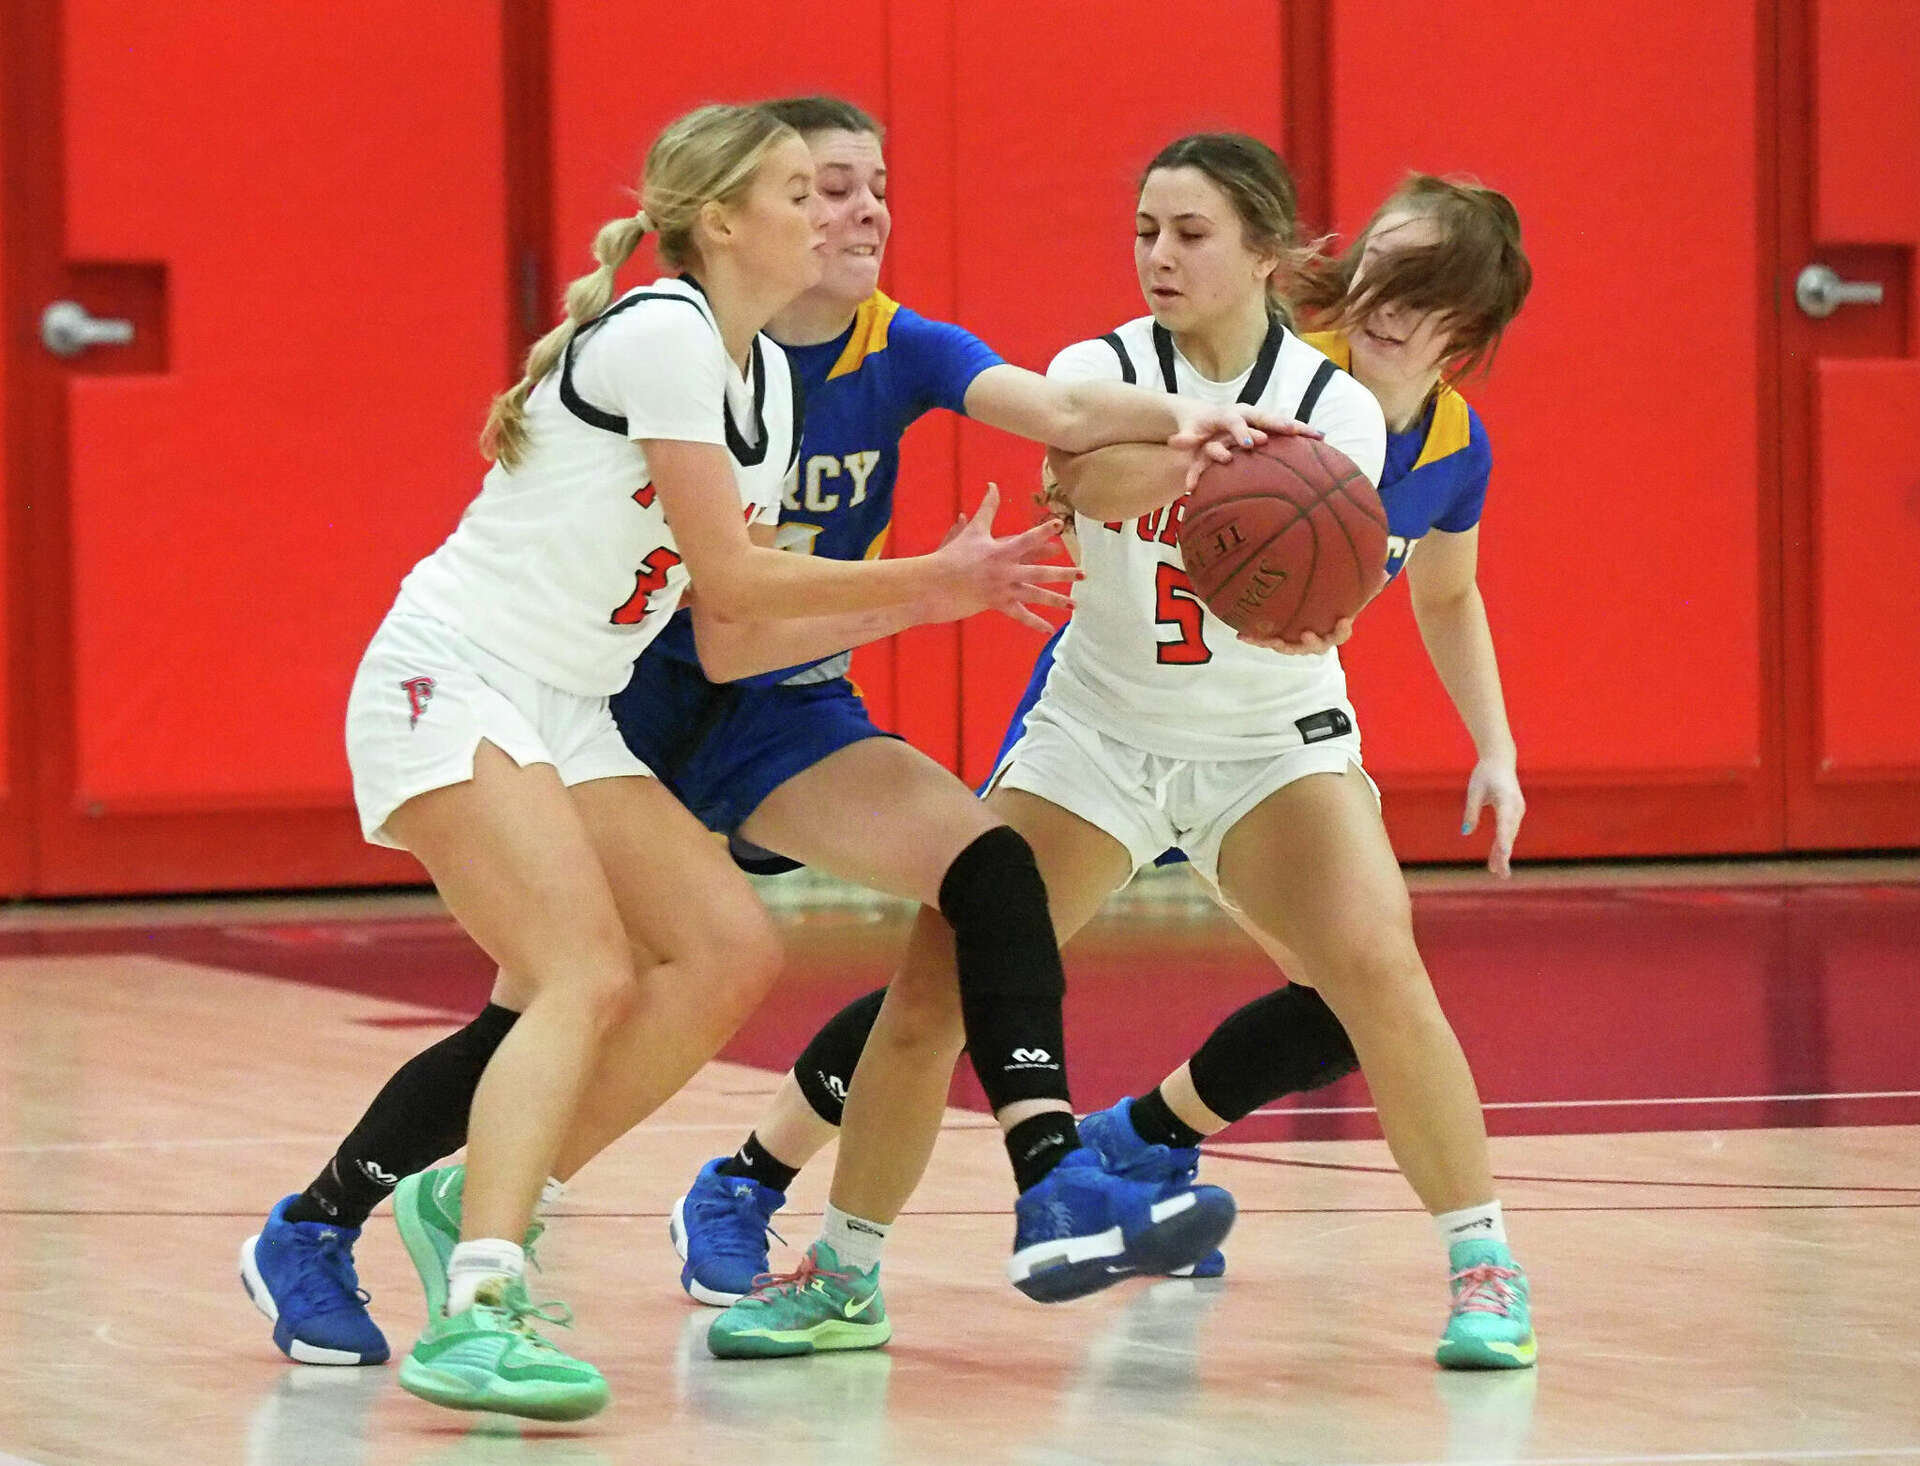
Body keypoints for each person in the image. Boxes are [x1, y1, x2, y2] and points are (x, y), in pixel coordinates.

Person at [241, 97, 1297, 1381]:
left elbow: (743, 642)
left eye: (856, 187)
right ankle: (474, 1289)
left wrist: (1186, 430)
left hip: (583, 704)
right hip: (462, 679)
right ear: (725, 220)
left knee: (724, 951)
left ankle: (434, 1210)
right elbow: (732, 585)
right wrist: (940, 580)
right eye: (807, 190)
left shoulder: (767, 392)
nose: (840, 213)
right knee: (572, 978)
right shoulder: (667, 335)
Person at [702, 144, 1540, 1371]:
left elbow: (1333, 589)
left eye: (1190, 233)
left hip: (1269, 742)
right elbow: (1085, 477)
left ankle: (1484, 1265)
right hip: (1099, 735)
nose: (1158, 254)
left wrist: (1305, 552)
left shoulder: (1340, 402)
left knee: (1377, 968)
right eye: (1144, 228)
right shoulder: (1099, 368)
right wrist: (1217, 457)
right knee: (939, 985)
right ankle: (842, 1272)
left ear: (1265, 253)